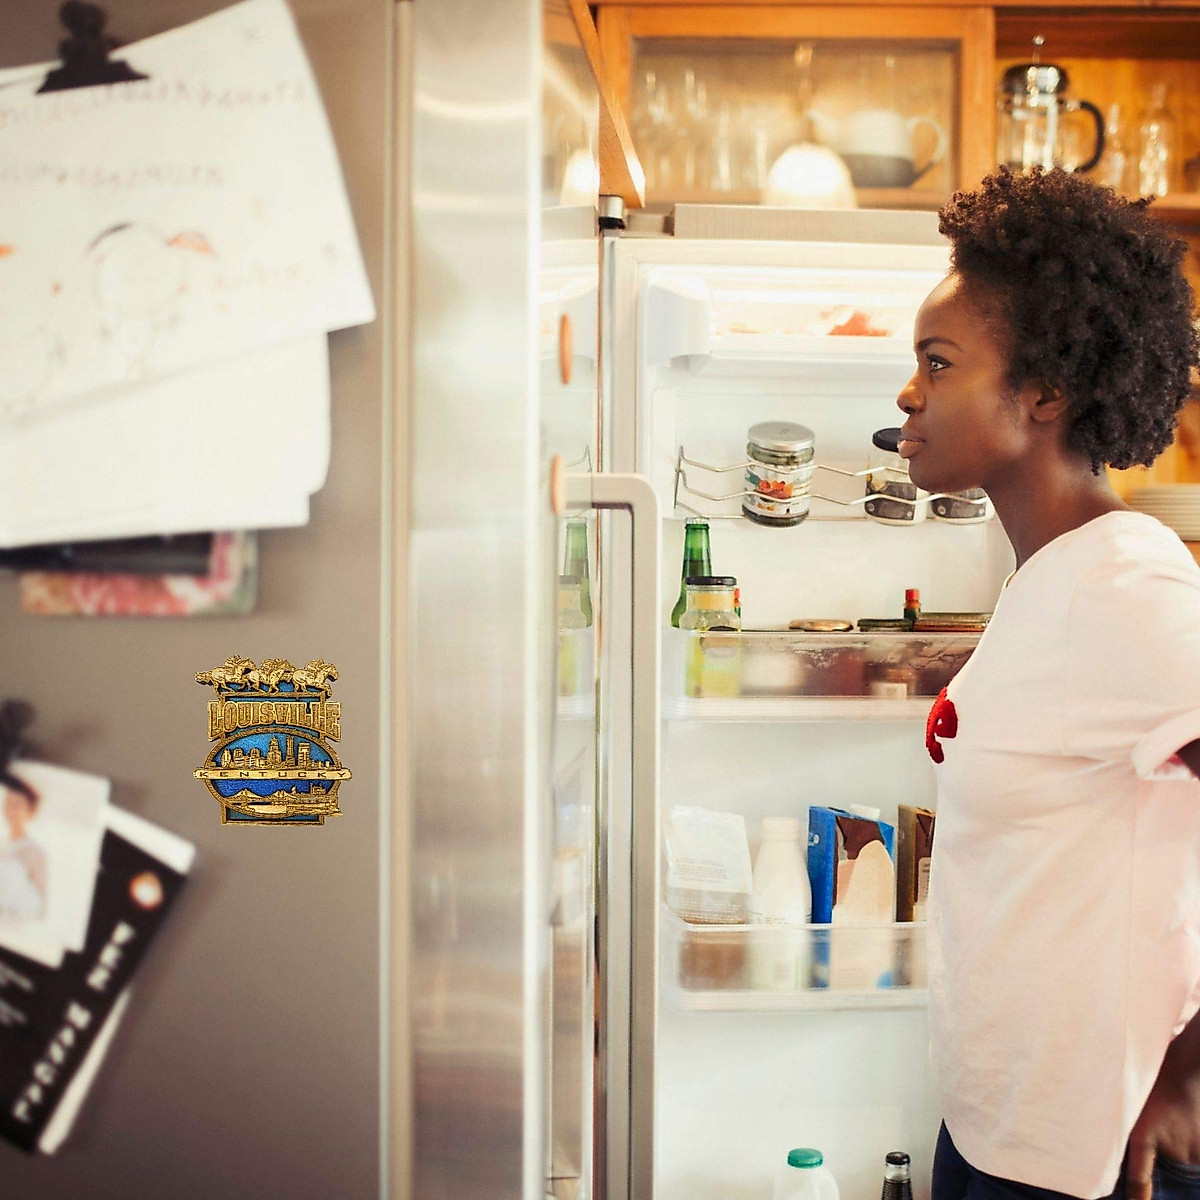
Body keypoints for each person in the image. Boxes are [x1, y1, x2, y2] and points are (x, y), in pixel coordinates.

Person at [903, 167, 1200, 1200]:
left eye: (938, 364)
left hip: (1093, 1158)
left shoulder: (1130, 587)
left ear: (1045, 393)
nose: (909, 393)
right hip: (997, 1127)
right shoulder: (1050, 577)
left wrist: (1190, 1072)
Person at [0, 772, 47, 922]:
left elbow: (40, 908)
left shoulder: (35, 852)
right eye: (8, 803)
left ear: (30, 811)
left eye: (17, 805)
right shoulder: (2, 843)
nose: (10, 810)